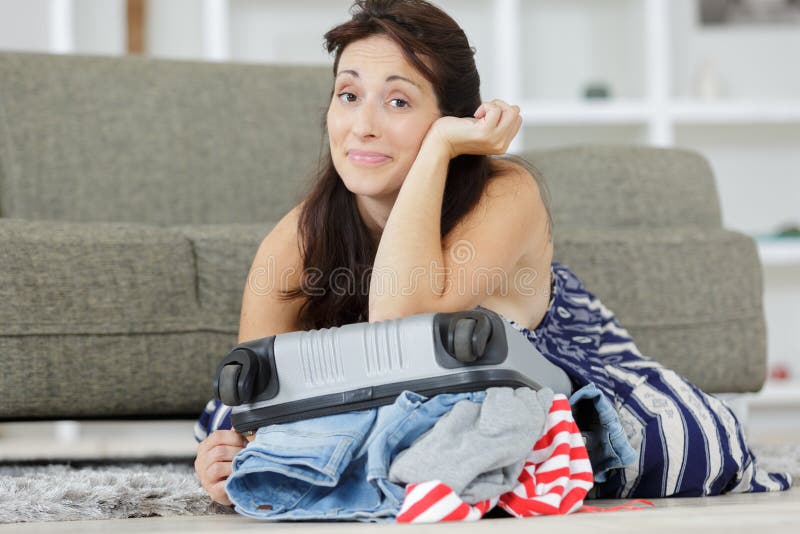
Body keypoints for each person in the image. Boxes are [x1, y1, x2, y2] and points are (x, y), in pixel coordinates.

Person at [194, 0, 790, 509]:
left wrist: (440, 151)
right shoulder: (301, 235)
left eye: (399, 102)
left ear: (452, 119)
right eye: (348, 95)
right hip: (377, 389)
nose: (363, 126)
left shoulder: (506, 192)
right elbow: (253, 397)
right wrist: (234, 463)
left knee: (679, 438)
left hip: (546, 367)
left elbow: (404, 330)